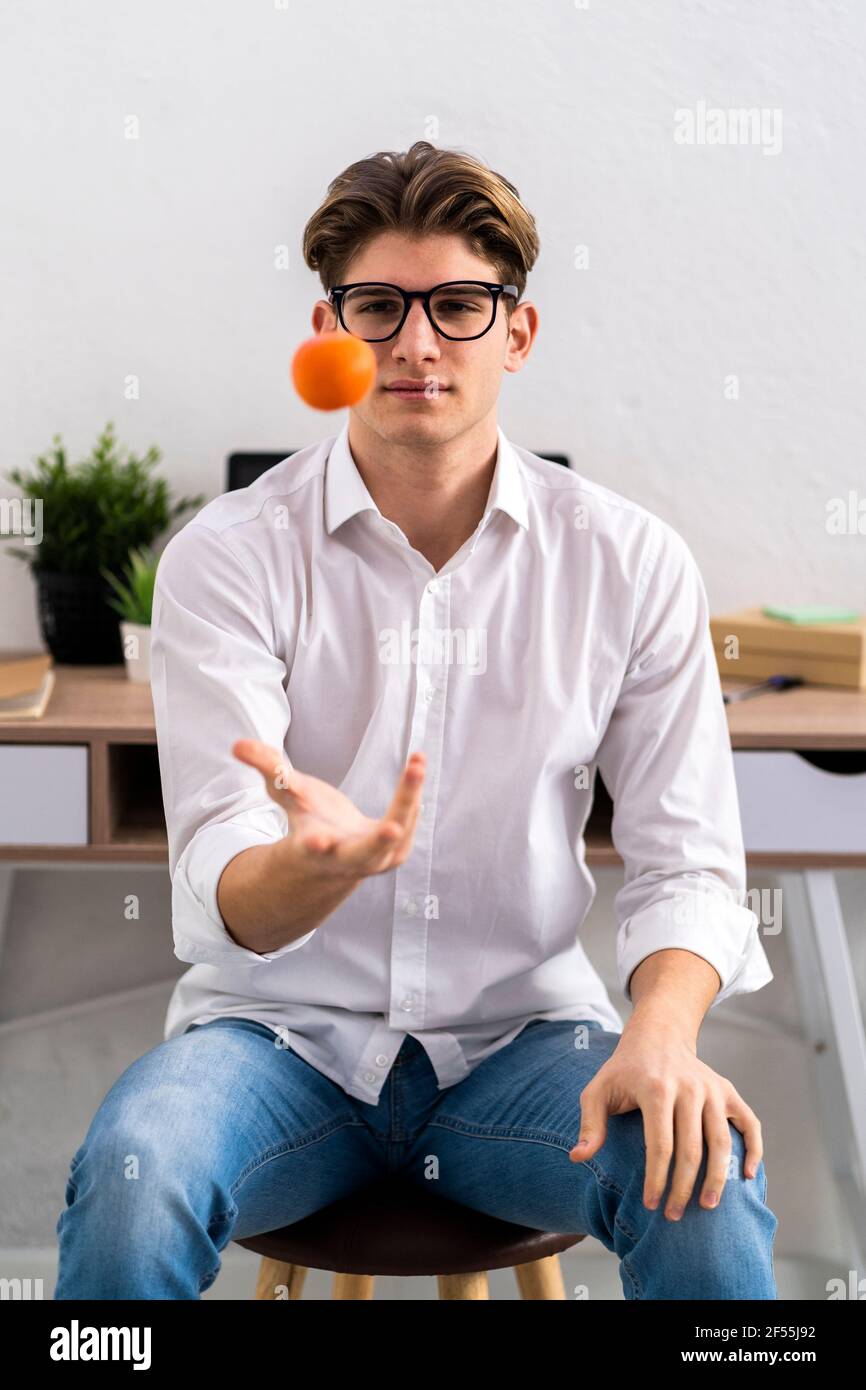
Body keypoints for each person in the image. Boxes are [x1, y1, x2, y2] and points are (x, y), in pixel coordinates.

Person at [54, 140, 778, 1300]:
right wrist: (312, 867)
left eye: (456, 305)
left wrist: (660, 1035)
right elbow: (221, 875)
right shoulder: (228, 557)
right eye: (378, 307)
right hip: (274, 1047)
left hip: (524, 1052)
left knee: (700, 1172)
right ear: (331, 329)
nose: (415, 341)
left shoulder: (626, 561)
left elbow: (686, 861)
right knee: (137, 1176)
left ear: (516, 333)